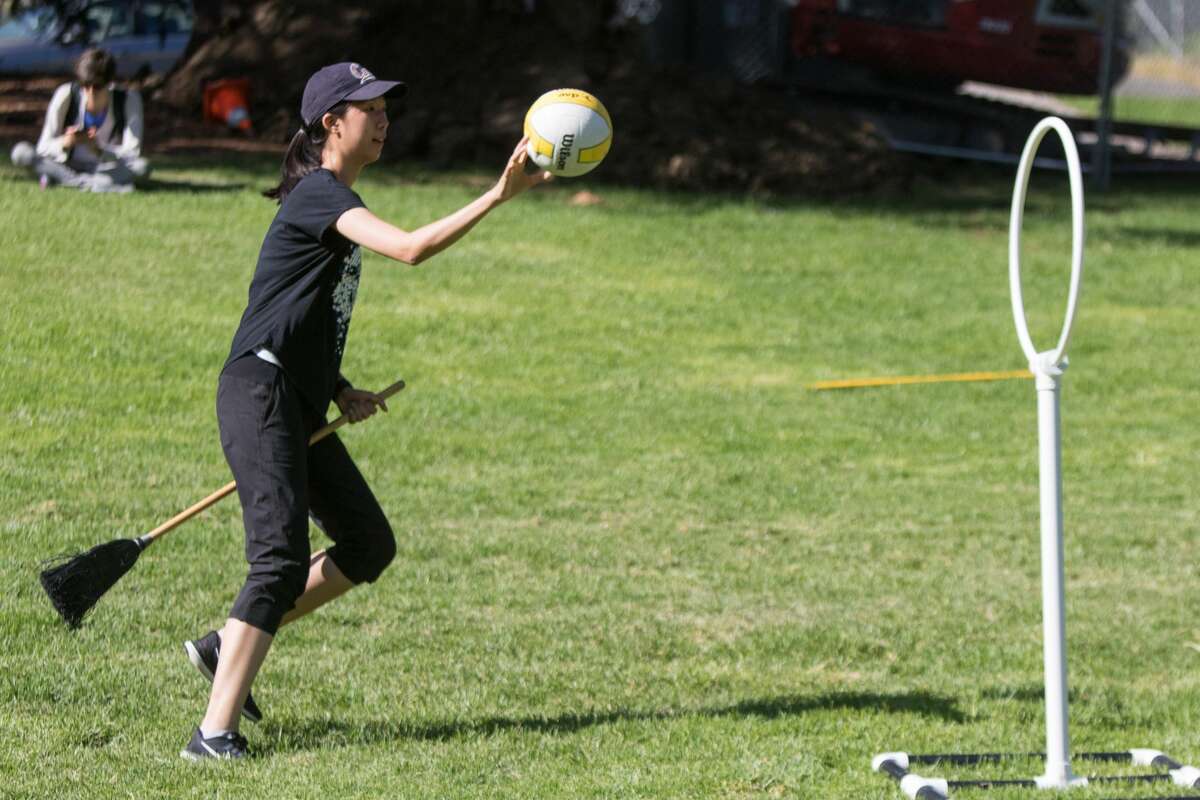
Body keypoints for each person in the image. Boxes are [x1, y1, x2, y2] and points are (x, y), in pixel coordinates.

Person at [179, 61, 552, 761]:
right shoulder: (321, 195)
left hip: (296, 392)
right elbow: (411, 249)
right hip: (259, 394)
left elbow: (298, 312)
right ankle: (212, 733)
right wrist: (498, 195)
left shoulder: (330, 198)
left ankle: (226, 643)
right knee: (278, 562)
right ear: (332, 123)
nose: (384, 118)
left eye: (386, 107)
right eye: (369, 108)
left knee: (367, 542)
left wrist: (338, 385)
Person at [8, 48, 150, 193]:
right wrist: (65, 142)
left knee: (142, 167)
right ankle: (96, 185)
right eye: (85, 86)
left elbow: (131, 152)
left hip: (105, 167)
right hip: (66, 164)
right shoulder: (66, 94)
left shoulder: (128, 99)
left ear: (110, 83)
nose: (90, 93)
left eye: (97, 87)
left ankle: (64, 180)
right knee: (21, 153)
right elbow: (43, 147)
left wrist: (99, 149)